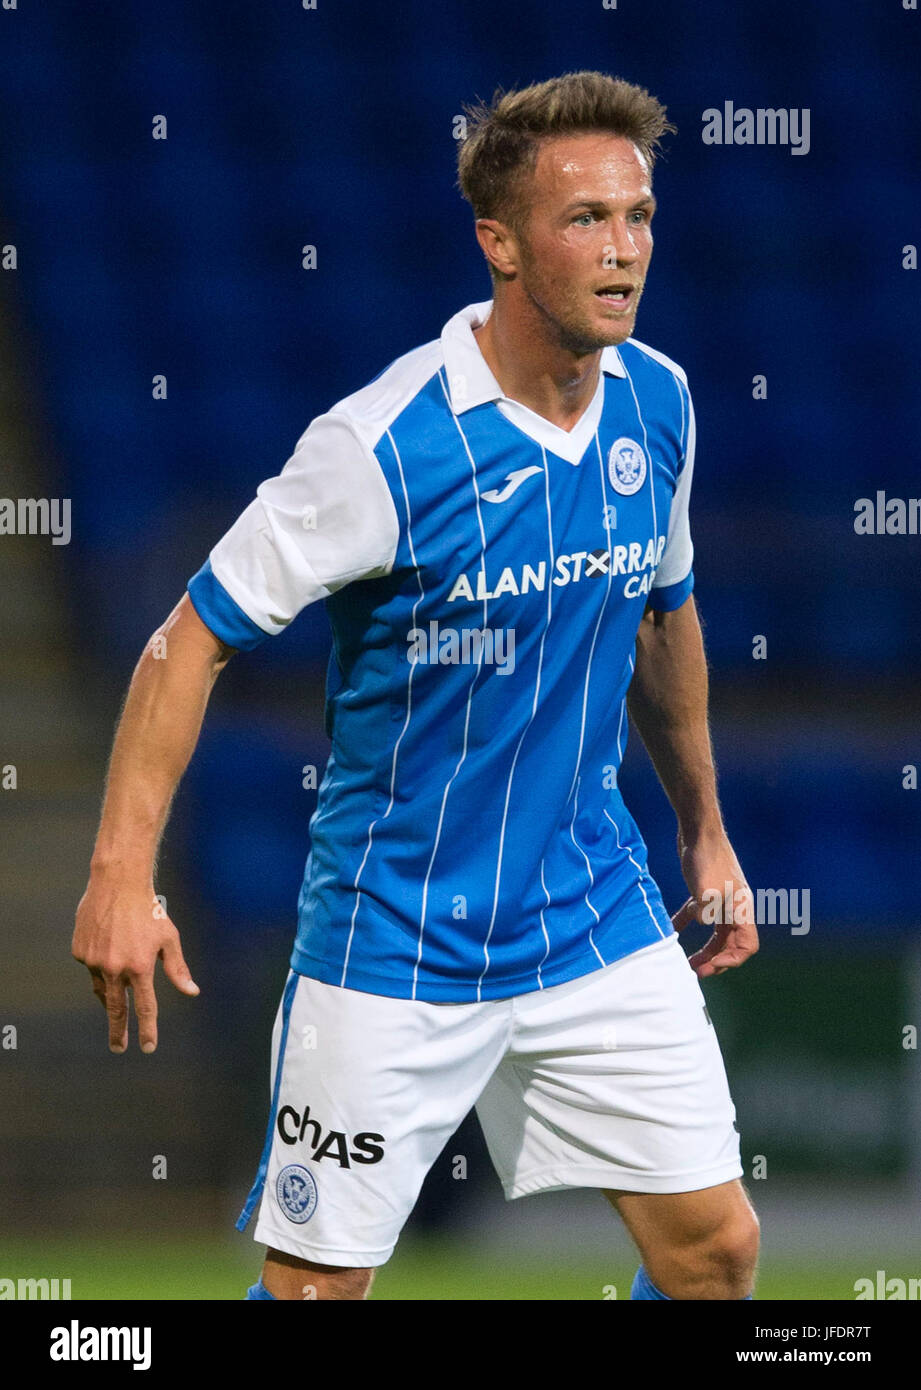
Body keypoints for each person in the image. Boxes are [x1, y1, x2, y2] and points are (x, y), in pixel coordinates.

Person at [73, 70, 760, 1301]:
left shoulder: (659, 402)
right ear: (500, 242)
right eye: (586, 220)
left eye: (639, 215)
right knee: (318, 1292)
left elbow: (666, 615)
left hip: (588, 913)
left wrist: (706, 830)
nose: (625, 250)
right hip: (393, 937)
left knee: (715, 1255)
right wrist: (122, 875)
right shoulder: (382, 446)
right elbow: (187, 639)